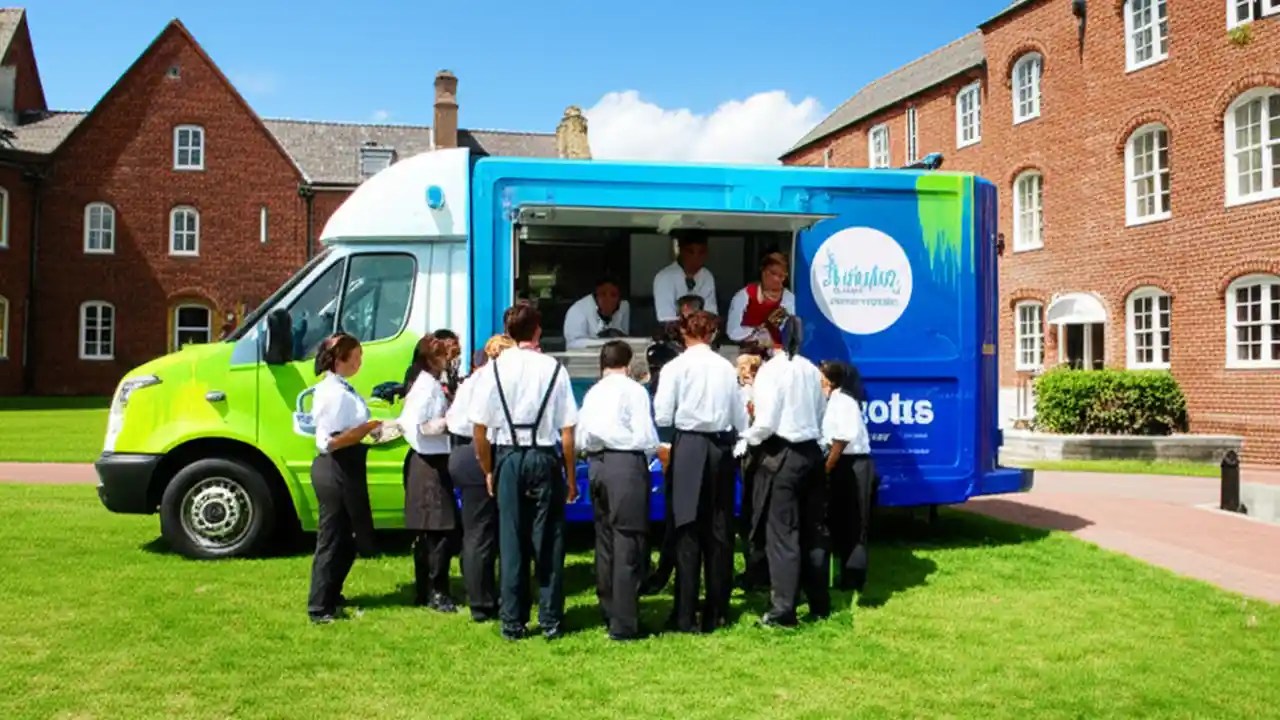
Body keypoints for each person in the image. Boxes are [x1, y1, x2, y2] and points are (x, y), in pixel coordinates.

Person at [469, 301, 579, 641]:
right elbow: (568, 431)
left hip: (509, 455)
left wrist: (488, 468)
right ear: (537, 330)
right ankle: (550, 620)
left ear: (508, 332)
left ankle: (513, 621)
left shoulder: (493, 370)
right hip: (544, 456)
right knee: (548, 539)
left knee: (511, 539)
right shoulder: (554, 369)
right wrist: (571, 477)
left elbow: (479, 429)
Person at [652, 310, 748, 633]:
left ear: (684, 333)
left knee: (686, 526)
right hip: (720, 446)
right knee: (719, 527)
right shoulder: (725, 368)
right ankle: (717, 610)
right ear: (712, 334)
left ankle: (685, 611)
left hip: (690, 444)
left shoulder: (674, 367)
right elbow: (738, 414)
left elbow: (663, 414)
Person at [737, 316, 830, 627]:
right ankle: (819, 602)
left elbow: (765, 422)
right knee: (813, 531)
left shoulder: (771, 371)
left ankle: (783, 609)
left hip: (783, 453)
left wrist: (745, 440)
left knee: (782, 535)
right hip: (811, 453)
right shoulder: (811, 369)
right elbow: (820, 411)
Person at [577, 340, 660, 641]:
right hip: (625, 462)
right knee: (629, 541)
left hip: (597, 462)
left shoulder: (593, 392)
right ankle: (625, 623)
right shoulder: (634, 391)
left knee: (605, 540)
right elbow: (644, 434)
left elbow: (581, 433)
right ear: (627, 362)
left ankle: (609, 608)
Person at [306, 332, 382, 624]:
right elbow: (329, 441)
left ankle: (332, 593)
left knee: (349, 536)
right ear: (340, 359)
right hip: (335, 465)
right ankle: (319, 606)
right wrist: (364, 430)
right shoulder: (333, 393)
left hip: (347, 464)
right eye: (357, 356)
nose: (360, 361)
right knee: (333, 537)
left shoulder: (341, 387)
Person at [640, 293, 706, 596]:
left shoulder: (684, 362)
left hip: (680, 436)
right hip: (675, 435)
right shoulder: (668, 357)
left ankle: (671, 571)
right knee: (680, 515)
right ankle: (669, 569)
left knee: (682, 514)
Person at [447, 335, 517, 622]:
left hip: (463, 451)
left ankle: (479, 595)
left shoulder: (471, 381)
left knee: (476, 531)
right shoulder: (498, 382)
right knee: (485, 533)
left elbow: (453, 418)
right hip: (484, 452)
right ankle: (484, 601)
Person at [398, 335, 461, 613]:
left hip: (431, 460)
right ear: (431, 359)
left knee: (432, 531)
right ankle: (436, 591)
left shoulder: (432, 384)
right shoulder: (426, 388)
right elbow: (420, 425)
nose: (448, 360)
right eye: (443, 355)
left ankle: (425, 588)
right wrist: (452, 422)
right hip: (427, 461)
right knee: (437, 531)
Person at [819, 360, 877, 593]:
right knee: (840, 522)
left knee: (854, 523)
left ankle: (854, 577)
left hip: (853, 464)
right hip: (843, 462)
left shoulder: (843, 402)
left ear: (831, 381)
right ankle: (845, 572)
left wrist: (827, 467)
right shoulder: (831, 401)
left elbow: (842, 438)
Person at [734, 352, 770, 592]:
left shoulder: (749, 395)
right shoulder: (757, 392)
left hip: (750, 453)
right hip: (754, 453)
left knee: (753, 514)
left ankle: (756, 571)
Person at [725, 253, 796, 349]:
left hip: (778, 355)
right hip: (746, 354)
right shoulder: (744, 295)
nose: (777, 279)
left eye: (781, 276)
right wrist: (755, 333)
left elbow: (788, 331)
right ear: (763, 271)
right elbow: (732, 331)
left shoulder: (788, 299)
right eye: (773, 273)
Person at [652, 230, 718, 323]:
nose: (696, 258)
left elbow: (711, 315)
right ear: (681, 251)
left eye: (701, 252)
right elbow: (666, 320)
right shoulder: (665, 277)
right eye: (691, 252)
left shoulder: (707, 276)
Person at [563, 278, 632, 349]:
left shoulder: (624, 307)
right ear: (595, 296)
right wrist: (606, 343)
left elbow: (624, 339)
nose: (608, 299)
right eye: (603, 294)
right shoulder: (577, 310)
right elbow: (572, 344)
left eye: (613, 295)